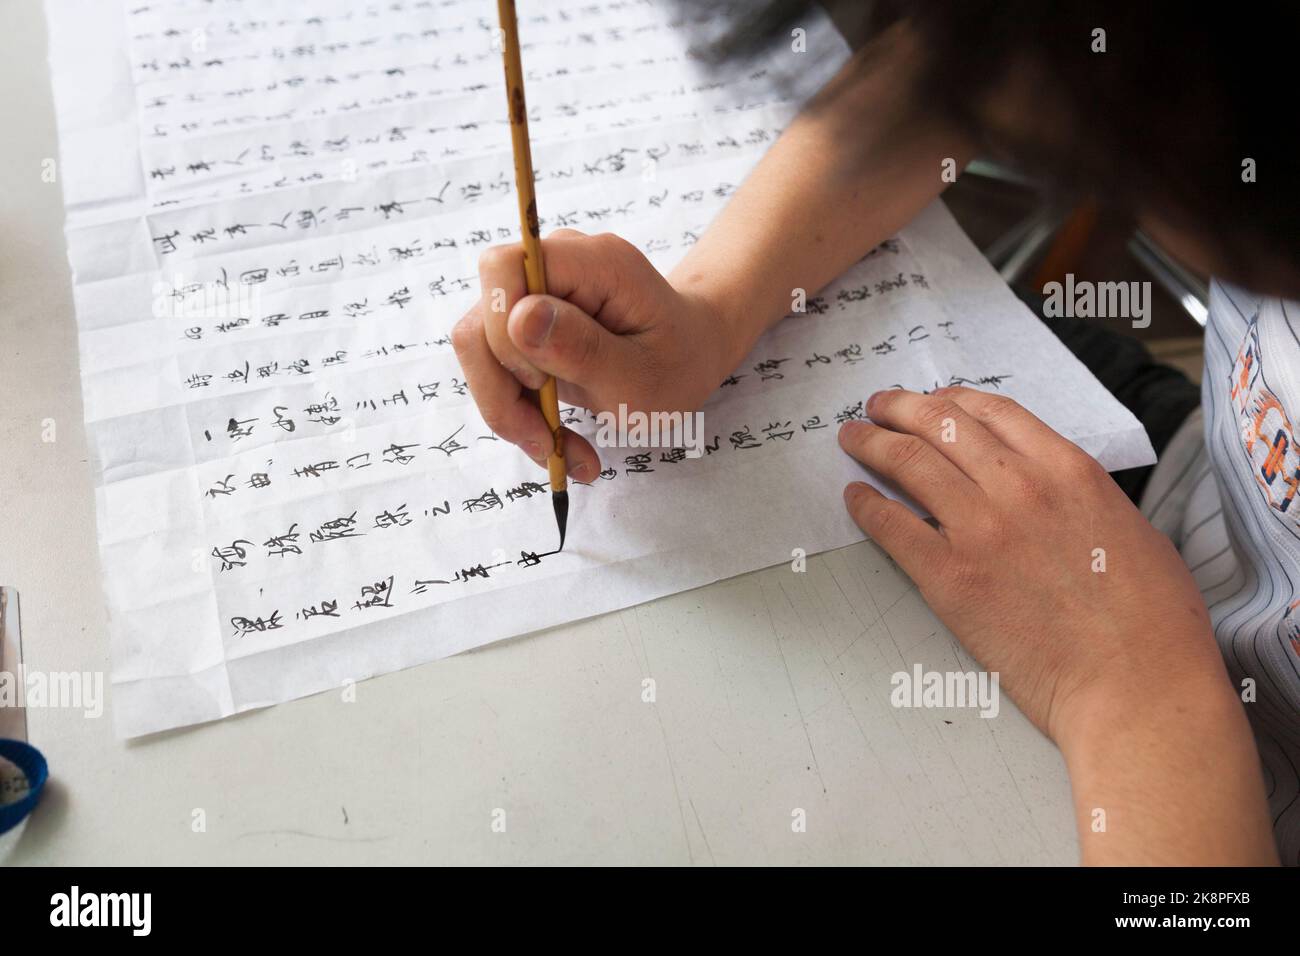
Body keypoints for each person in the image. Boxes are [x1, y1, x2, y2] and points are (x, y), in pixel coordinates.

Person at [452, 1, 1298, 864]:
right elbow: (990, 56)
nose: (1094, 167)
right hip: (1194, 488)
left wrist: (1136, 693)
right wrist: (715, 311)